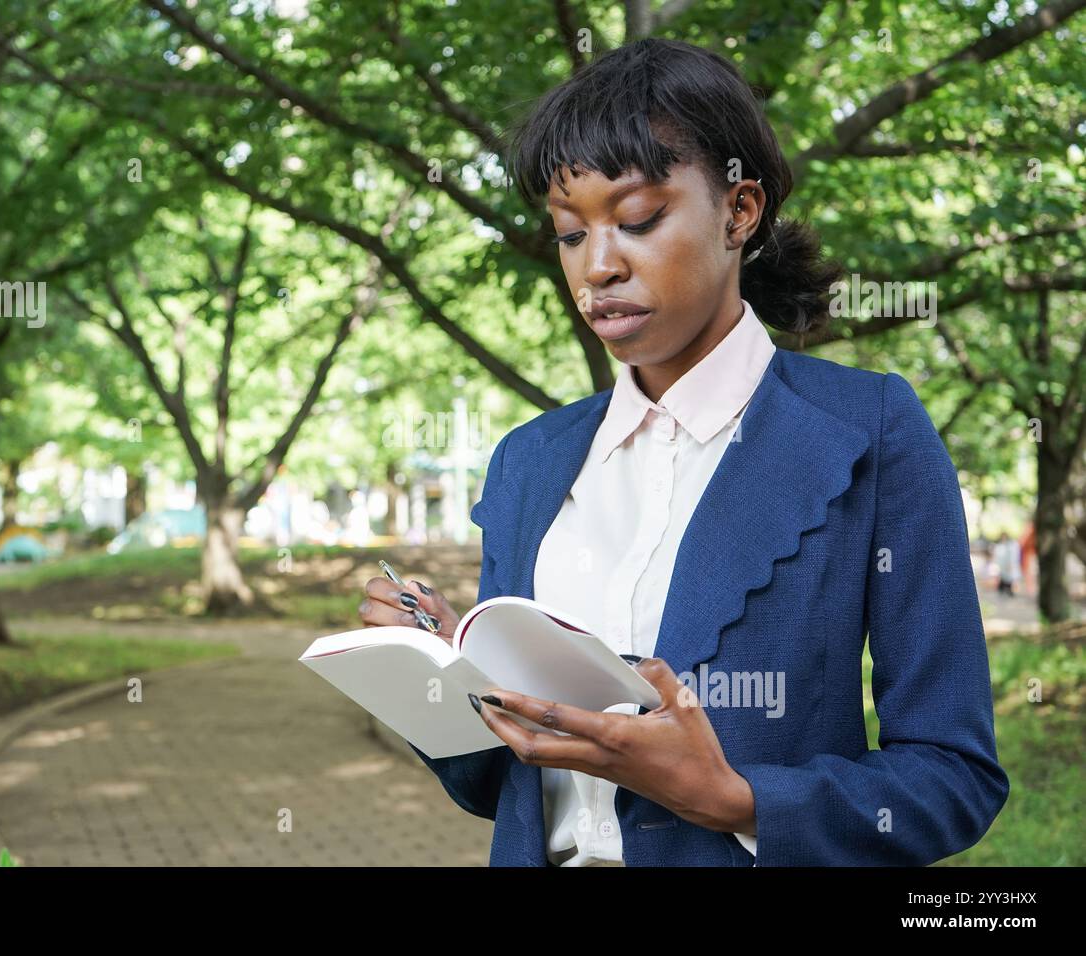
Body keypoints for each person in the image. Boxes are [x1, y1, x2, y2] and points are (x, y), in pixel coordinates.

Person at [358, 38, 1007, 866]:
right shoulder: (529, 462)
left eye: (637, 220)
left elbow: (952, 778)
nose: (598, 267)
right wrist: (445, 674)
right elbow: (499, 787)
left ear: (740, 210)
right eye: (567, 234)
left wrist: (732, 800)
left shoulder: (869, 431)